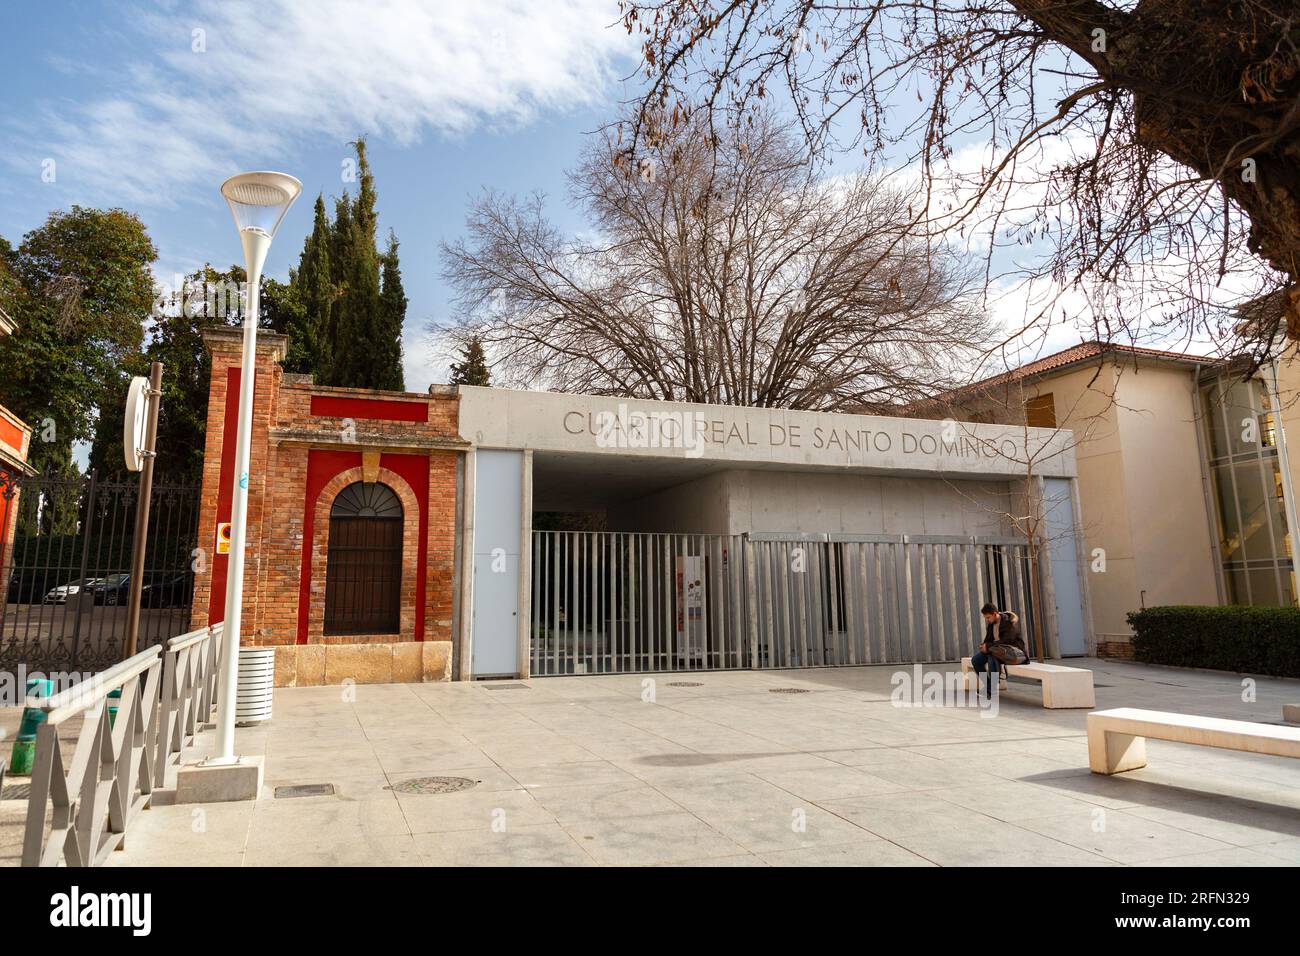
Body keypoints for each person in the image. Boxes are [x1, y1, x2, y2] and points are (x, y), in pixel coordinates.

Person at [971, 602, 1027, 695]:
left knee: (992, 657)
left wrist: (988, 647)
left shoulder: (1008, 622)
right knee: (976, 660)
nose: (987, 620)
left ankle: (991, 689)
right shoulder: (991, 624)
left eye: (988, 617)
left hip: (1013, 652)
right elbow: (988, 639)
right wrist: (984, 646)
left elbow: (1007, 641)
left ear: (995, 614)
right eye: (985, 618)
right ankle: (989, 686)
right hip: (996, 649)